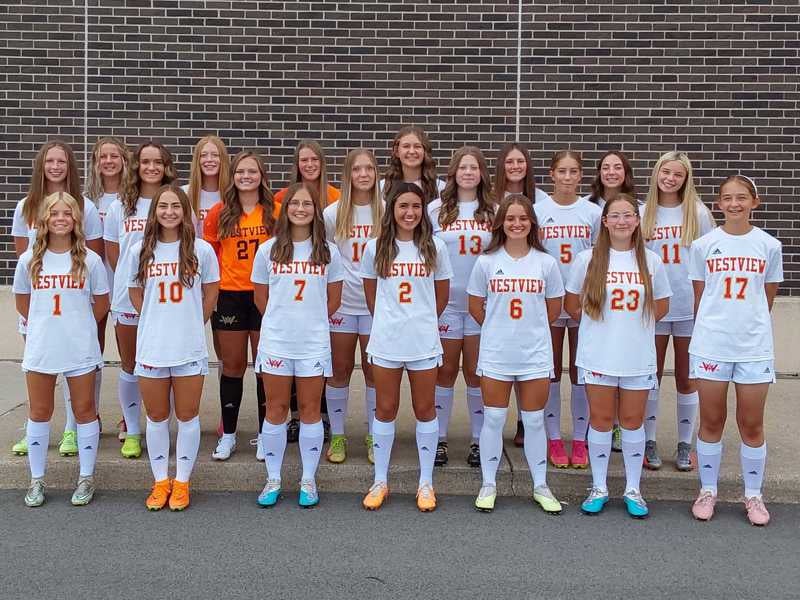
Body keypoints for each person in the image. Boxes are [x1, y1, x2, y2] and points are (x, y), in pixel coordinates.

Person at [564, 194, 671, 519]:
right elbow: (572, 304)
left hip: (637, 355)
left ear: (637, 221)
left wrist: (633, 326)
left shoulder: (651, 261)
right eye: (615, 216)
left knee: (632, 422)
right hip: (598, 354)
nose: (622, 221)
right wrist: (601, 327)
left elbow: (662, 305)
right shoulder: (587, 259)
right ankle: (598, 487)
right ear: (605, 221)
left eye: (628, 215)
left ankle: (633, 489)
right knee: (599, 421)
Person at [688, 175, 782, 526]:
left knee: (751, 423)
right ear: (719, 204)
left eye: (741, 197)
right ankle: (707, 490)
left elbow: (767, 297)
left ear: (754, 202)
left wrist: (747, 325)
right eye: (727, 198)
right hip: (712, 343)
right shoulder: (704, 245)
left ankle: (753, 494)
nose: (734, 204)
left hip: (753, 347)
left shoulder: (769, 245)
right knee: (712, 420)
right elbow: (702, 296)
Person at [467, 194, 565, 513]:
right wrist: (499, 328)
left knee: (534, 420)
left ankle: (540, 485)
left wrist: (529, 329)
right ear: (501, 223)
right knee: (494, 418)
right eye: (510, 218)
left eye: (523, 218)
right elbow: (475, 306)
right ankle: (488, 483)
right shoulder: (487, 262)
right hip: (497, 352)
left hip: (534, 353)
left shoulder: (546, 263)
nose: (517, 224)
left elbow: (554, 309)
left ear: (532, 223)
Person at [360, 182, 452, 512]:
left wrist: (420, 321)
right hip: (387, 340)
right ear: (392, 210)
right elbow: (371, 295)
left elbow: (441, 296)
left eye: (415, 206)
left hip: (423, 341)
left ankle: (425, 483)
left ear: (423, 210)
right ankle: (380, 481)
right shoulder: (375, 247)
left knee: (425, 409)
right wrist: (391, 321)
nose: (409, 212)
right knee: (385, 409)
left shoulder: (435, 247)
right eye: (403, 206)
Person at [13, 191, 110, 507]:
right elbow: (23, 303)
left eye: (67, 213)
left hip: (79, 346)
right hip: (42, 345)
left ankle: (86, 477)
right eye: (54, 213)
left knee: (84, 410)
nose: (60, 218)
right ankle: (36, 479)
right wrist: (46, 326)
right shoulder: (29, 260)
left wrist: (77, 325)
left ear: (76, 220)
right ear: (44, 218)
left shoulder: (90, 260)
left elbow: (101, 304)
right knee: (40, 412)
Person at [251, 183, 343, 507]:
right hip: (277, 341)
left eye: (307, 204)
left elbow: (334, 300)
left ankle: (308, 479)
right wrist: (283, 321)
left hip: (313, 343)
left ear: (316, 211)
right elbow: (261, 298)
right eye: (294, 203)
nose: (300, 209)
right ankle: (273, 479)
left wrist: (309, 321)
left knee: (309, 410)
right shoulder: (268, 250)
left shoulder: (329, 252)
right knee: (276, 409)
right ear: (285, 208)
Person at [128, 185, 220, 511]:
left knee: (187, 415)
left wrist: (194, 321)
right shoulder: (140, 250)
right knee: (156, 416)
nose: (169, 212)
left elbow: (211, 291)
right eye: (163, 206)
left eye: (176, 206)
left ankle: (181, 481)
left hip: (188, 345)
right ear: (154, 212)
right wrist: (154, 318)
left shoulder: (201, 250)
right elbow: (135, 292)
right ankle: (159, 481)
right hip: (152, 344)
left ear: (185, 212)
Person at [11, 140, 104, 458]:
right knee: (41, 367)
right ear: (41, 165)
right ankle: (34, 428)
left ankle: (71, 430)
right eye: (49, 161)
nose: (55, 166)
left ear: (70, 167)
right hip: (41, 302)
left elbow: (93, 256)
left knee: (74, 369)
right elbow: (22, 257)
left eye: (61, 161)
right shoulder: (25, 206)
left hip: (73, 301)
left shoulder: (85, 206)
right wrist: (37, 311)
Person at [203, 150, 279, 460]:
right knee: (232, 366)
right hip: (230, 294)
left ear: (262, 176)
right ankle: (229, 435)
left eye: (252, 171)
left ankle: (265, 434)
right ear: (232, 176)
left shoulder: (274, 211)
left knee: (264, 366)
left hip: (264, 293)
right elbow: (209, 257)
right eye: (240, 172)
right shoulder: (219, 212)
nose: (246, 176)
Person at [641, 151, 714, 470]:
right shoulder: (643, 212)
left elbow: (711, 262)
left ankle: (685, 444)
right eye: (665, 172)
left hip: (688, 307)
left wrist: (705, 306)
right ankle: (649, 440)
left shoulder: (698, 213)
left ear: (686, 179)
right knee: (651, 376)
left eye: (677, 174)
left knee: (687, 378)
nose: (670, 179)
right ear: (657, 173)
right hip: (655, 307)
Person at [104, 141, 177, 459]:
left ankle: (159, 427)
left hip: (168, 299)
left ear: (166, 167)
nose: (151, 167)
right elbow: (114, 253)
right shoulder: (120, 205)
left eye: (157, 162)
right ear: (136, 166)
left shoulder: (175, 201)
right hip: (128, 296)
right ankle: (132, 430)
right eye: (145, 162)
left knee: (166, 364)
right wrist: (133, 280)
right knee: (131, 364)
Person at [428, 146, 495, 467]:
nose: (468, 172)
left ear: (482, 173)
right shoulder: (435, 209)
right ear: (453, 172)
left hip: (482, 302)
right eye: (463, 167)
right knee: (445, 371)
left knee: (475, 373)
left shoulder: (494, 209)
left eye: (474, 167)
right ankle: (439, 438)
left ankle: (479, 440)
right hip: (447, 302)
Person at [534, 151, 601, 469]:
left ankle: (580, 438)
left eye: (573, 171)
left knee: (579, 370)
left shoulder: (592, 212)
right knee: (549, 370)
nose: (567, 177)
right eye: (562, 171)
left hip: (581, 301)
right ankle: (553, 438)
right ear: (552, 174)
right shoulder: (538, 211)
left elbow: (601, 257)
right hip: (547, 300)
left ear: (580, 176)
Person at [273, 140, 339, 439]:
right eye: (304, 160)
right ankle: (296, 417)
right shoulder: (282, 197)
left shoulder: (336, 198)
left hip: (321, 284)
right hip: (290, 298)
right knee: (290, 362)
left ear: (322, 163)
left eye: (315, 159)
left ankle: (321, 417)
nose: (309, 165)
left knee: (318, 361)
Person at [323, 149, 383, 464]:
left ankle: (374, 435)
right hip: (344, 303)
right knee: (339, 370)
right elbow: (326, 260)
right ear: (348, 175)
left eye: (369, 168)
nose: (363, 174)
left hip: (376, 304)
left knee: (374, 372)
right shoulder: (333, 213)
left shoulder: (386, 210)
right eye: (357, 169)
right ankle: (337, 436)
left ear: (376, 173)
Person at [183, 135, 231, 437]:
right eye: (204, 155)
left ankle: (227, 413)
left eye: (215, 155)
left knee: (224, 352)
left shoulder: (232, 194)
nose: (210, 160)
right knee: (186, 345)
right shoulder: (185, 194)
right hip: (189, 280)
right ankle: (185, 412)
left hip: (223, 279)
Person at [86, 136, 132, 443]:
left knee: (131, 354)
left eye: (114, 156)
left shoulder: (132, 198)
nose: (108, 161)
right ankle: (90, 412)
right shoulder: (87, 200)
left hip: (124, 285)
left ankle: (130, 418)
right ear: (95, 162)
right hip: (93, 284)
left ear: (124, 161)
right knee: (92, 349)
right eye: (103, 156)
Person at [380, 125, 445, 205]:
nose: (411, 151)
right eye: (406, 146)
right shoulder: (382, 188)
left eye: (417, 146)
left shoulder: (440, 188)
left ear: (425, 152)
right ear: (397, 152)